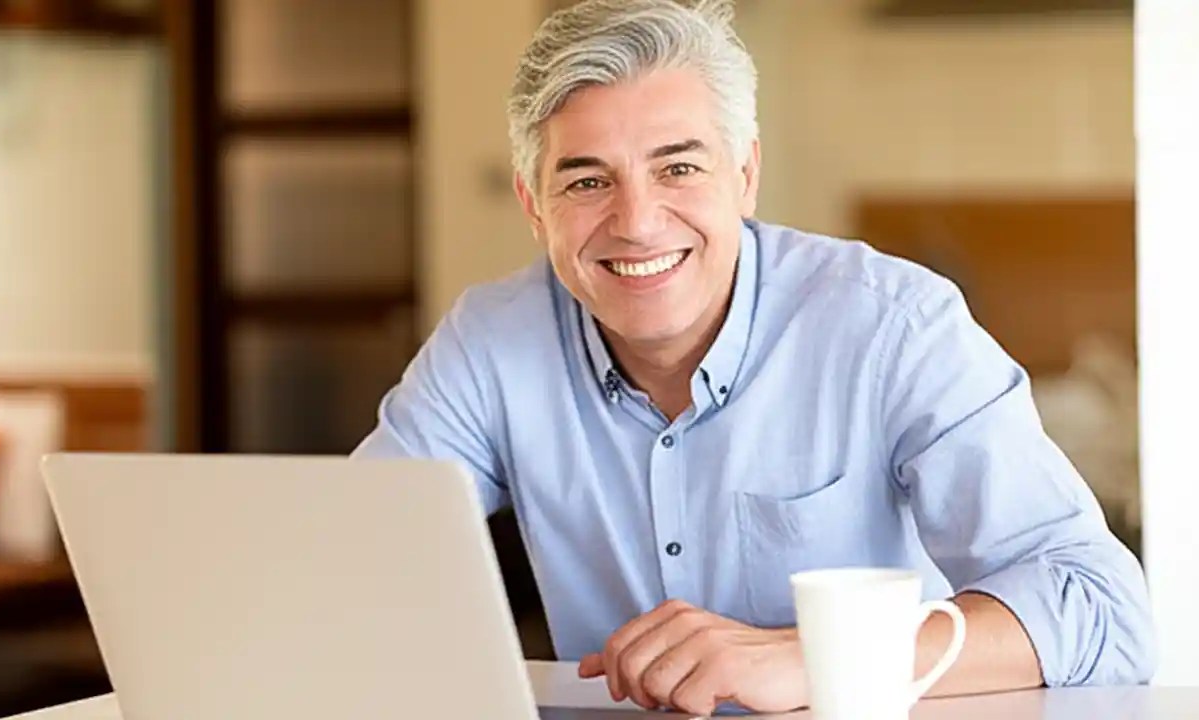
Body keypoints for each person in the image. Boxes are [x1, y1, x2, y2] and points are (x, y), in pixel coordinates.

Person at [353, 0, 1156, 714]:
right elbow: (340, 560)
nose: (637, 222)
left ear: (745, 174)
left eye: (679, 167)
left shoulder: (895, 327)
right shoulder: (490, 342)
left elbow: (1102, 608)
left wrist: (815, 661)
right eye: (587, 181)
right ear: (534, 206)